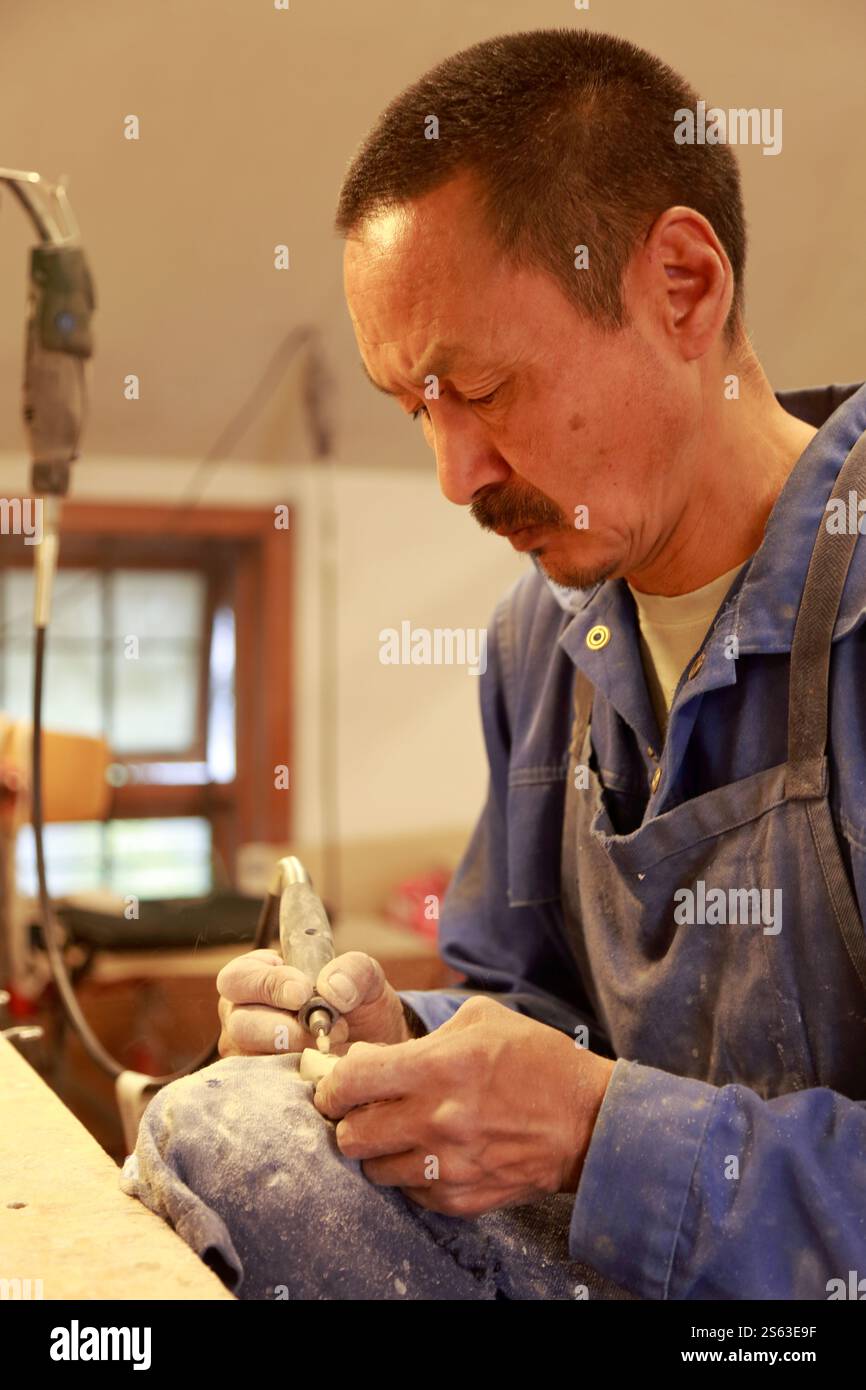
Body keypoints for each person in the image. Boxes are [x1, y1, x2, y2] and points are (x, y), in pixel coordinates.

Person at [132, 29, 866, 1300]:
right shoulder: (546, 640)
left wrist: (601, 1131)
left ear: (682, 287)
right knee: (227, 1130)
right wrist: (398, 1047)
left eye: (479, 384)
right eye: (415, 406)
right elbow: (527, 1003)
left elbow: (592, 1108)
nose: (451, 475)